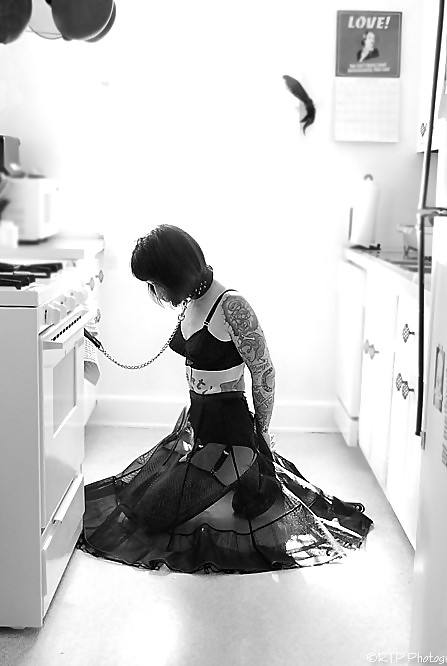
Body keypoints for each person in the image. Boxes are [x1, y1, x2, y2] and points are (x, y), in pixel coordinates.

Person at [78, 225, 373, 573]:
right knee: (136, 501)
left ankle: (252, 473)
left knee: (152, 516)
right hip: (199, 429)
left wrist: (262, 432)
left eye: (155, 283)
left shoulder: (231, 306)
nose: (154, 292)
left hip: (230, 440)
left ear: (175, 273)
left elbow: (264, 372)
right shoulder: (191, 303)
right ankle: (244, 478)